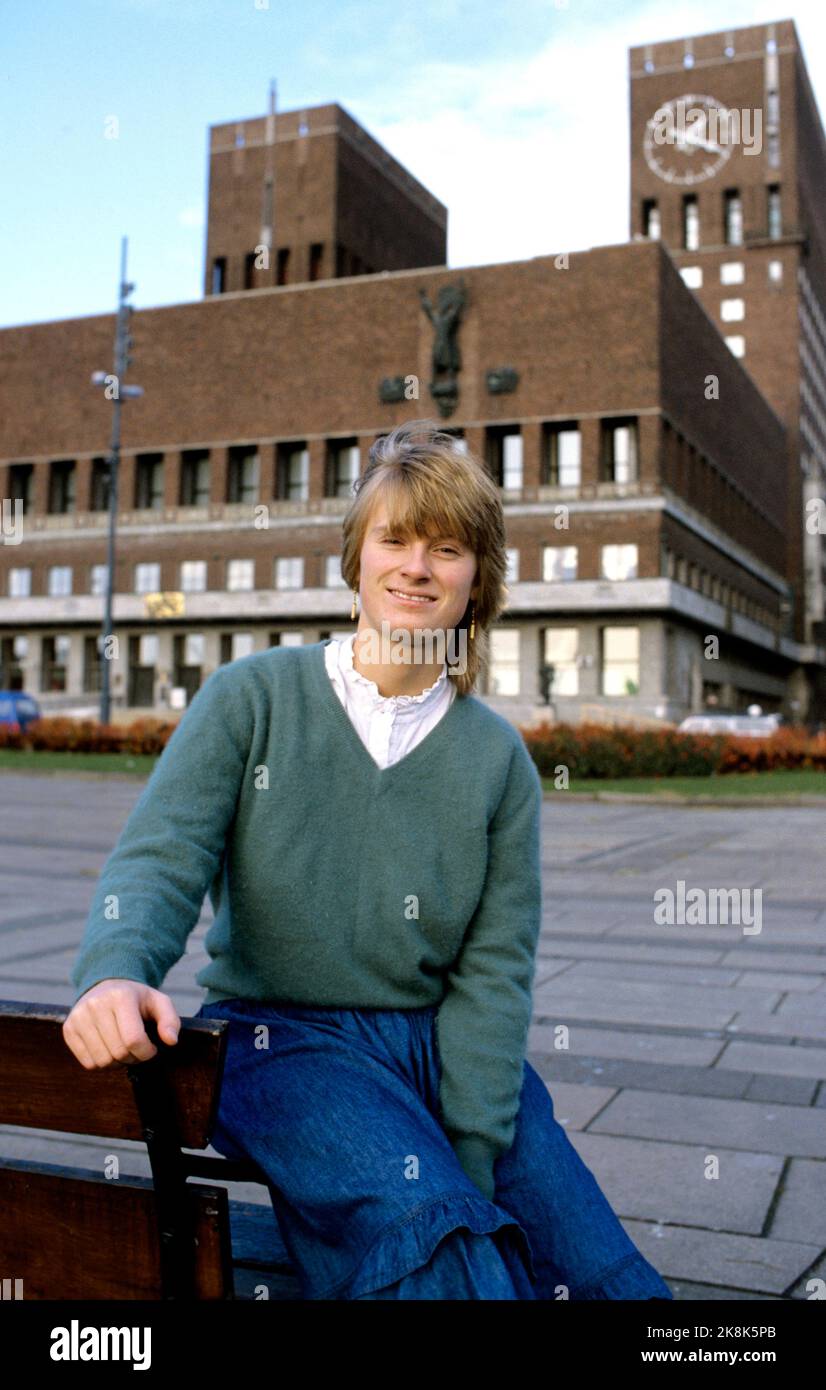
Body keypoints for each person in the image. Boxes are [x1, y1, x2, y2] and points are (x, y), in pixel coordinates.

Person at [64, 419, 673, 1302]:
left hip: (437, 1043)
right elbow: (161, 855)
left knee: (600, 1274)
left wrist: (468, 1152)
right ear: (357, 561)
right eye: (394, 539)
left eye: (448, 548)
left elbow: (494, 971)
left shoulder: (497, 760)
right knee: (444, 1252)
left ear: (477, 583)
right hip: (281, 1040)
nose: (417, 567)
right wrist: (114, 972)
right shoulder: (251, 698)